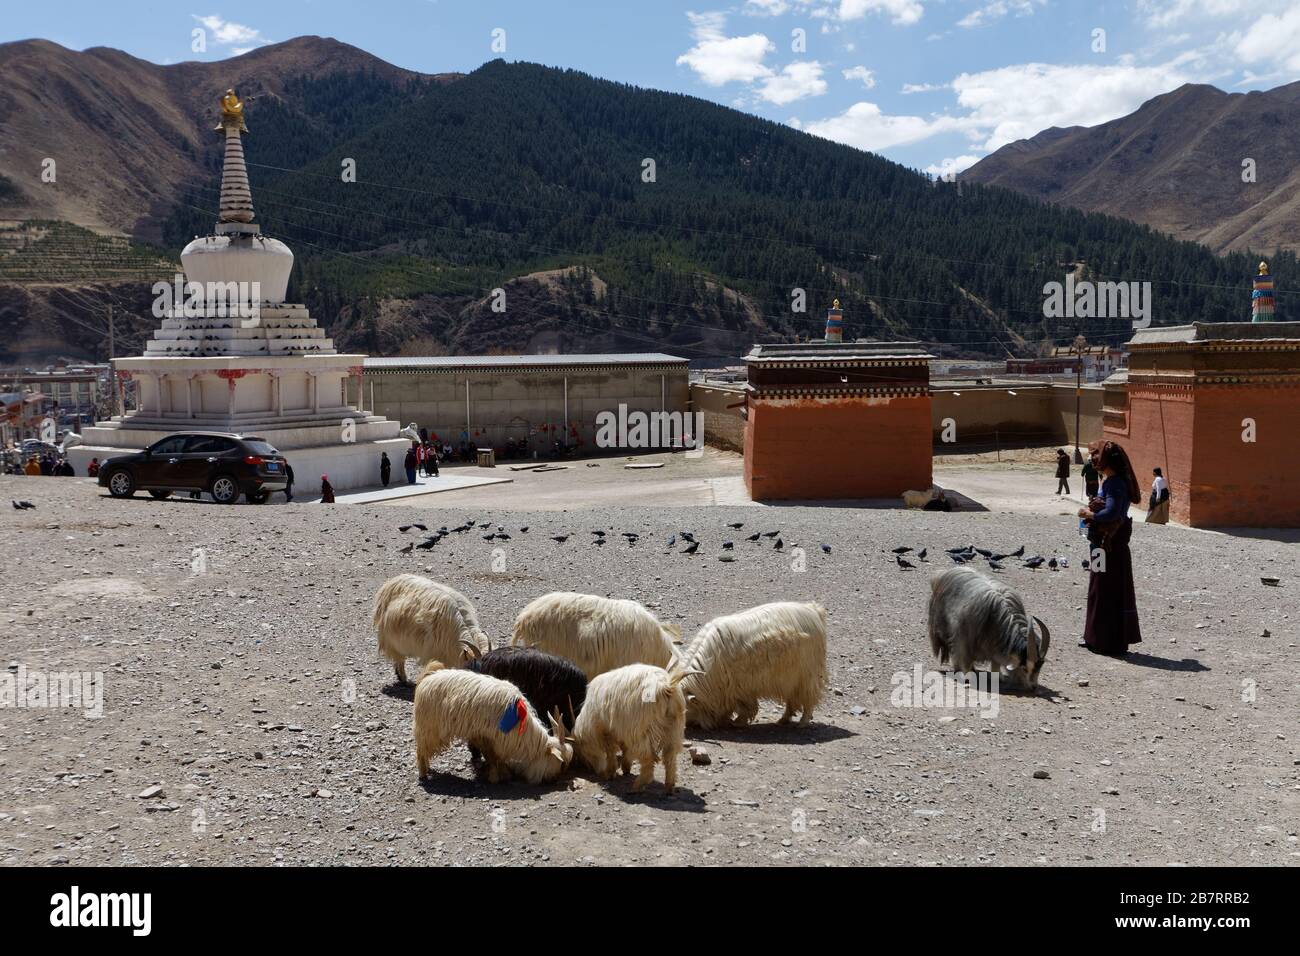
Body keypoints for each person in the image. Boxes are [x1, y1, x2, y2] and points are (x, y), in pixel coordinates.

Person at [1078, 440, 1143, 657]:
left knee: (1107, 590)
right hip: (1100, 545)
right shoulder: (1111, 481)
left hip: (1108, 546)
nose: (1093, 460)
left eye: (1096, 456)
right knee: (1098, 586)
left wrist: (1089, 514)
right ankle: (1094, 637)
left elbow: (1112, 513)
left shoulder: (1115, 484)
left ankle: (1107, 641)